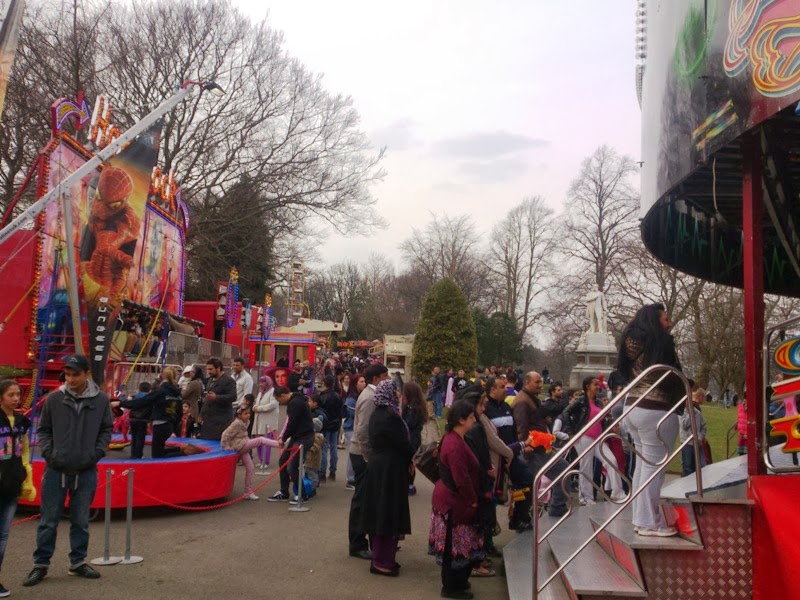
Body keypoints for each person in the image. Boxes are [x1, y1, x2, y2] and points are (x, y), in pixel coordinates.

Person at [24, 354, 113, 587]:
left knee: (81, 519)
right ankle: (40, 564)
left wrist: (97, 453)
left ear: (86, 374)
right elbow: (43, 430)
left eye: (76, 374)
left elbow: (106, 429)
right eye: (68, 374)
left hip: (86, 469)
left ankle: (77, 562)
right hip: (56, 468)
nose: (70, 379)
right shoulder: (54, 399)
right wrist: (49, 454)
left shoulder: (101, 400)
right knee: (48, 520)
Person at [618, 303, 684, 537]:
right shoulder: (661, 342)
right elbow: (672, 373)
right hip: (656, 408)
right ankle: (649, 522)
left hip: (632, 406)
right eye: (665, 319)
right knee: (654, 467)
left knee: (643, 465)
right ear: (656, 321)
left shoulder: (630, 341)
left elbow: (622, 373)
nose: (669, 323)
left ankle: (640, 517)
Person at [429, 399, 484, 599]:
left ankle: (458, 582)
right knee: (455, 548)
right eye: (471, 417)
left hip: (452, 499)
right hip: (455, 501)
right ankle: (453, 586)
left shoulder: (455, 439)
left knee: (459, 546)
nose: (474, 420)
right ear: (461, 420)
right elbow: (461, 478)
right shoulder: (454, 444)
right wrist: (472, 500)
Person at [358, 380, 414, 577]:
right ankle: (381, 561)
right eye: (395, 391)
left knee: (380, 512)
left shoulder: (379, 413)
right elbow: (403, 444)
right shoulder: (389, 416)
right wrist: (411, 456)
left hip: (381, 467)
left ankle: (381, 557)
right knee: (385, 514)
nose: (398, 394)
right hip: (388, 470)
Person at [511, 372, 571, 519]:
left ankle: (556, 508)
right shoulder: (522, 401)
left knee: (562, 470)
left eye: (540, 382)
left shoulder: (531, 399)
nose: (539, 385)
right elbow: (521, 428)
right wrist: (526, 449)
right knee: (561, 471)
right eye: (536, 382)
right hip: (533, 451)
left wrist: (544, 420)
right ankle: (554, 509)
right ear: (526, 383)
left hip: (541, 448)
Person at [560, 376, 625, 504]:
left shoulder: (599, 402)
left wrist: (612, 424)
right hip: (584, 437)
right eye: (595, 384)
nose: (598, 386)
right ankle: (585, 497)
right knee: (586, 466)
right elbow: (566, 413)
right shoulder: (580, 401)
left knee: (611, 461)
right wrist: (571, 432)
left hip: (598, 438)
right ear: (587, 386)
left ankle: (617, 492)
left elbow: (606, 416)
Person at [348, 363, 390, 560]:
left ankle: (369, 540)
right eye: (384, 376)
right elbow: (363, 430)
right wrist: (368, 457)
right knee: (362, 500)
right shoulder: (370, 397)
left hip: (364, 453)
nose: (387, 379)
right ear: (376, 379)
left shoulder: (371, 395)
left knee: (367, 499)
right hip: (362, 454)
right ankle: (357, 543)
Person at [0, 380, 35, 597]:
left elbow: (24, 452)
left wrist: (27, 477)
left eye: (17, 394)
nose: (15, 399)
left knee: (3, 535)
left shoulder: (23, 421)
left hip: (12, 485)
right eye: (11, 395)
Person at [115, 367, 182, 458]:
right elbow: (179, 411)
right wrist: (174, 426)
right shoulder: (177, 392)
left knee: (157, 453)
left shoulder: (160, 391)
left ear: (163, 376)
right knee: (160, 448)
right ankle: (178, 453)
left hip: (160, 423)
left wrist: (120, 403)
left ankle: (175, 455)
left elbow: (142, 401)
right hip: (169, 424)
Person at [268, 385, 315, 503]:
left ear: (283, 396)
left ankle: (302, 495)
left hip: (303, 438)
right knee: (283, 461)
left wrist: (283, 438)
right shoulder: (295, 400)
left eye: (279, 400)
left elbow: (292, 424)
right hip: (297, 437)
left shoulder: (295, 403)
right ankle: (284, 492)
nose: (279, 403)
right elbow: (290, 423)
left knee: (292, 467)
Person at [221, 405, 280, 500]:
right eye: (245, 414)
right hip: (240, 445)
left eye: (249, 413)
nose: (248, 415)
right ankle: (280, 444)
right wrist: (226, 447)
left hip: (243, 445)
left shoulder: (246, 422)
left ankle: (247, 492)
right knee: (260, 440)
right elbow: (225, 434)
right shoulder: (236, 423)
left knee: (250, 468)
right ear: (239, 415)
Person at [198, 358, 236, 441]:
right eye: (207, 369)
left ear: (218, 368)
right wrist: (201, 414)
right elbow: (207, 399)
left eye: (211, 369)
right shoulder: (211, 380)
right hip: (208, 420)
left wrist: (217, 397)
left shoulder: (228, 381)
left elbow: (233, 397)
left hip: (221, 421)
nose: (209, 371)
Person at [402, 380, 428, 496]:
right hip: (414, 438)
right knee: (410, 462)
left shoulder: (412, 409)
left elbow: (409, 424)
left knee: (409, 462)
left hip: (411, 439)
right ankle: (408, 484)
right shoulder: (415, 407)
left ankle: (409, 485)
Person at [343, 374, 366, 490]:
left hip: (355, 428)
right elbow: (354, 414)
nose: (364, 383)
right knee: (353, 454)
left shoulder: (360, 396)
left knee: (357, 454)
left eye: (364, 381)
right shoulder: (351, 399)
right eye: (361, 381)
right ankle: (350, 479)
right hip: (350, 428)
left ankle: (354, 477)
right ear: (355, 383)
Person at [318, 375, 342, 483]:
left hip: (326, 424)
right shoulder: (337, 395)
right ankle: (333, 472)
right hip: (335, 423)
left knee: (324, 449)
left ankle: (322, 473)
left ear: (324, 383)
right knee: (333, 448)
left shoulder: (322, 396)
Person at [251, 376, 278, 473]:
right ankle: (261, 460)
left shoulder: (273, 392)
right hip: (259, 420)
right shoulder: (260, 392)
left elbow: (272, 405)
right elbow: (256, 402)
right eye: (260, 382)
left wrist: (259, 408)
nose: (261, 384)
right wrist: (254, 407)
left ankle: (265, 461)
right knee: (259, 441)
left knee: (266, 441)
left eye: (263, 382)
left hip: (268, 421)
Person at [680, 388, 708, 476]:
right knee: (688, 466)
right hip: (687, 443)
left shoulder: (698, 413)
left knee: (701, 464)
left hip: (697, 442)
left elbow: (704, 425)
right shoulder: (682, 413)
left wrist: (701, 435)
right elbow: (684, 425)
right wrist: (690, 415)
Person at [127, 381, 152, 460]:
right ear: (149, 390)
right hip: (143, 419)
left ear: (139, 389)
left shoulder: (134, 396)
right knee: (140, 438)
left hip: (133, 419)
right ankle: (138, 454)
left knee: (134, 437)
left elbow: (129, 405)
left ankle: (133, 454)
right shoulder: (149, 398)